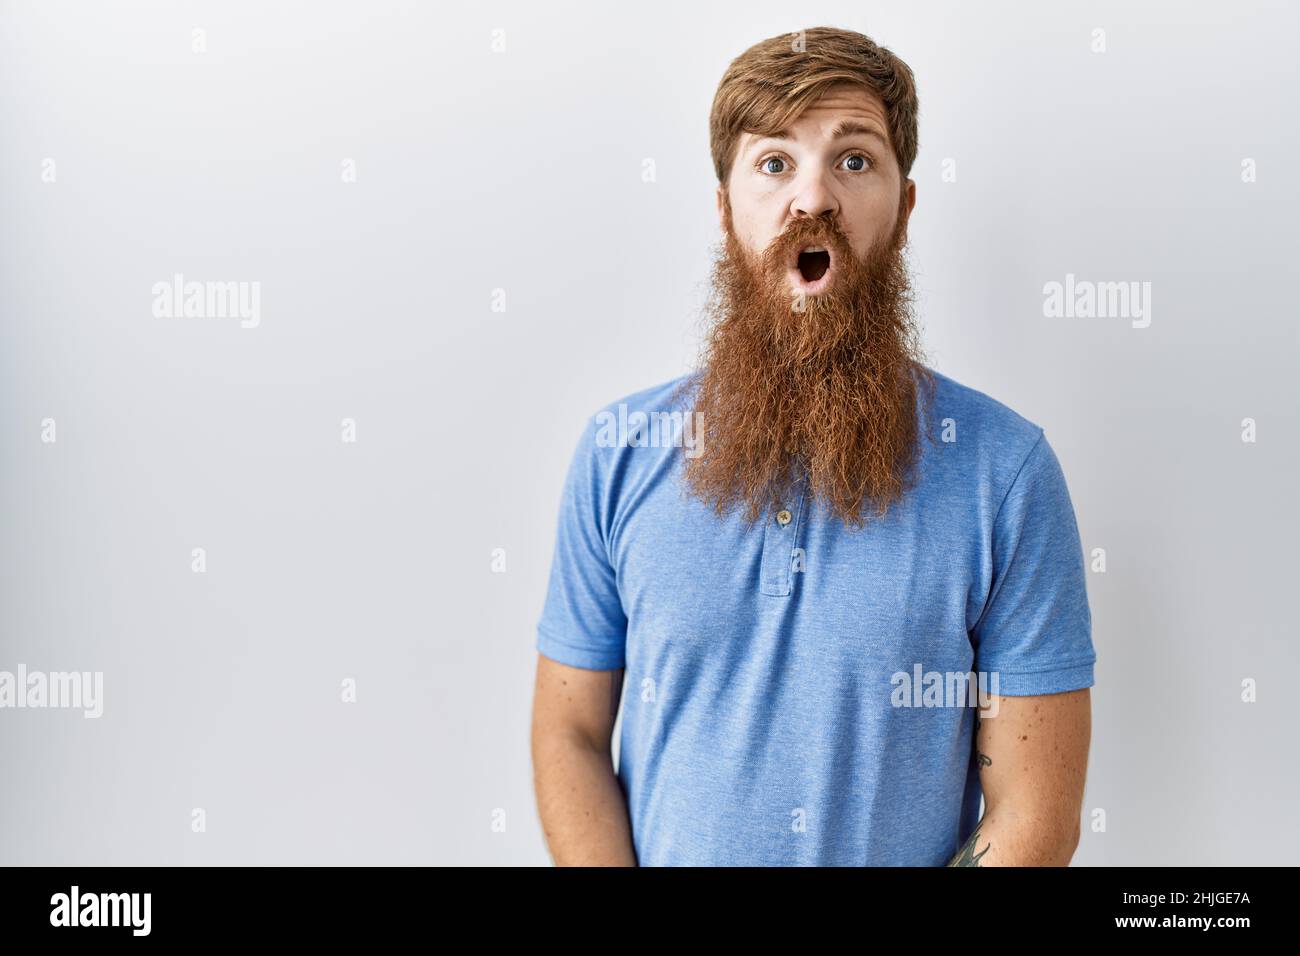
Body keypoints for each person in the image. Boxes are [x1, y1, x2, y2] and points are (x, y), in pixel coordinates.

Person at [531, 26, 1094, 866]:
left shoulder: (1004, 474)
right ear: (725, 212)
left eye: (855, 160)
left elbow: (1032, 815)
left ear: (905, 209)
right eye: (774, 163)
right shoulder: (619, 453)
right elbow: (570, 731)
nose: (812, 198)